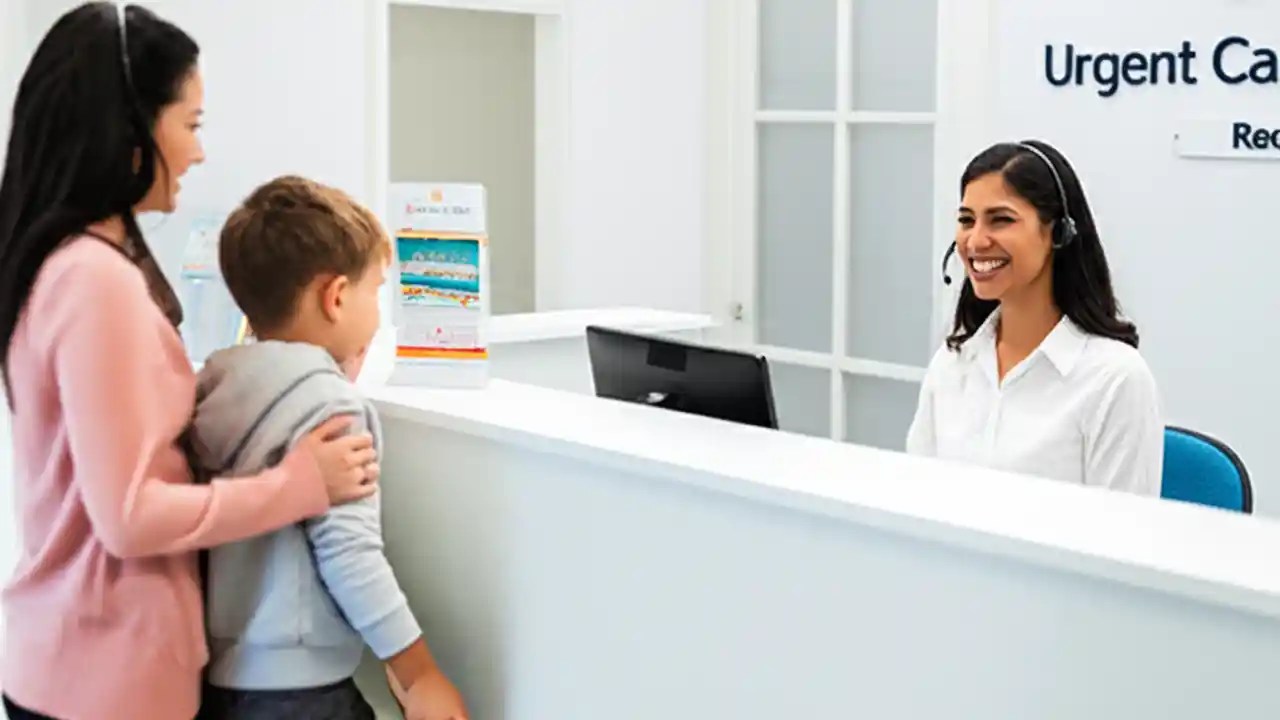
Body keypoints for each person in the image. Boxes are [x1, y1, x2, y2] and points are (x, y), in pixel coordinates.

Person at [0, 5, 379, 719]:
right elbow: (131, 516)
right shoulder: (96, 281)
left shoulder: (67, 265)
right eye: (192, 124)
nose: (199, 152)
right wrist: (300, 484)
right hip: (105, 681)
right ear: (130, 132)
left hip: (71, 662)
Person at [191, 176, 467, 720]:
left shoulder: (214, 389)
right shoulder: (329, 407)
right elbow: (350, 555)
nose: (379, 313)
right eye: (376, 291)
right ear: (336, 297)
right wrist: (420, 674)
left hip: (221, 684)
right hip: (303, 691)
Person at [907, 140, 1162, 495]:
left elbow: (1123, 540)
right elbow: (917, 503)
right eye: (967, 220)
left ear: (1058, 233)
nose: (976, 241)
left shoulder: (1115, 380)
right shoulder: (952, 364)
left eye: (1001, 220)